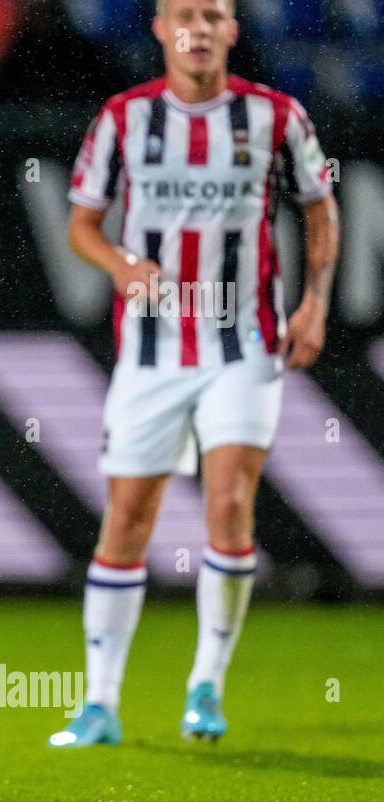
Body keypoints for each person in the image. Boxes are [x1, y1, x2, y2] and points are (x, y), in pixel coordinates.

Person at [51, 0, 339, 748]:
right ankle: (99, 702)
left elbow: (319, 205)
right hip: (151, 348)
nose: (200, 27)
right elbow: (81, 222)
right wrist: (119, 263)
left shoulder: (277, 116)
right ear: (160, 28)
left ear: (233, 31)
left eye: (214, 14)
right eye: (185, 13)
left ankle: (206, 684)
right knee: (127, 520)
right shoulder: (123, 118)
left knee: (231, 503)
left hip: (242, 342)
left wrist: (314, 303)